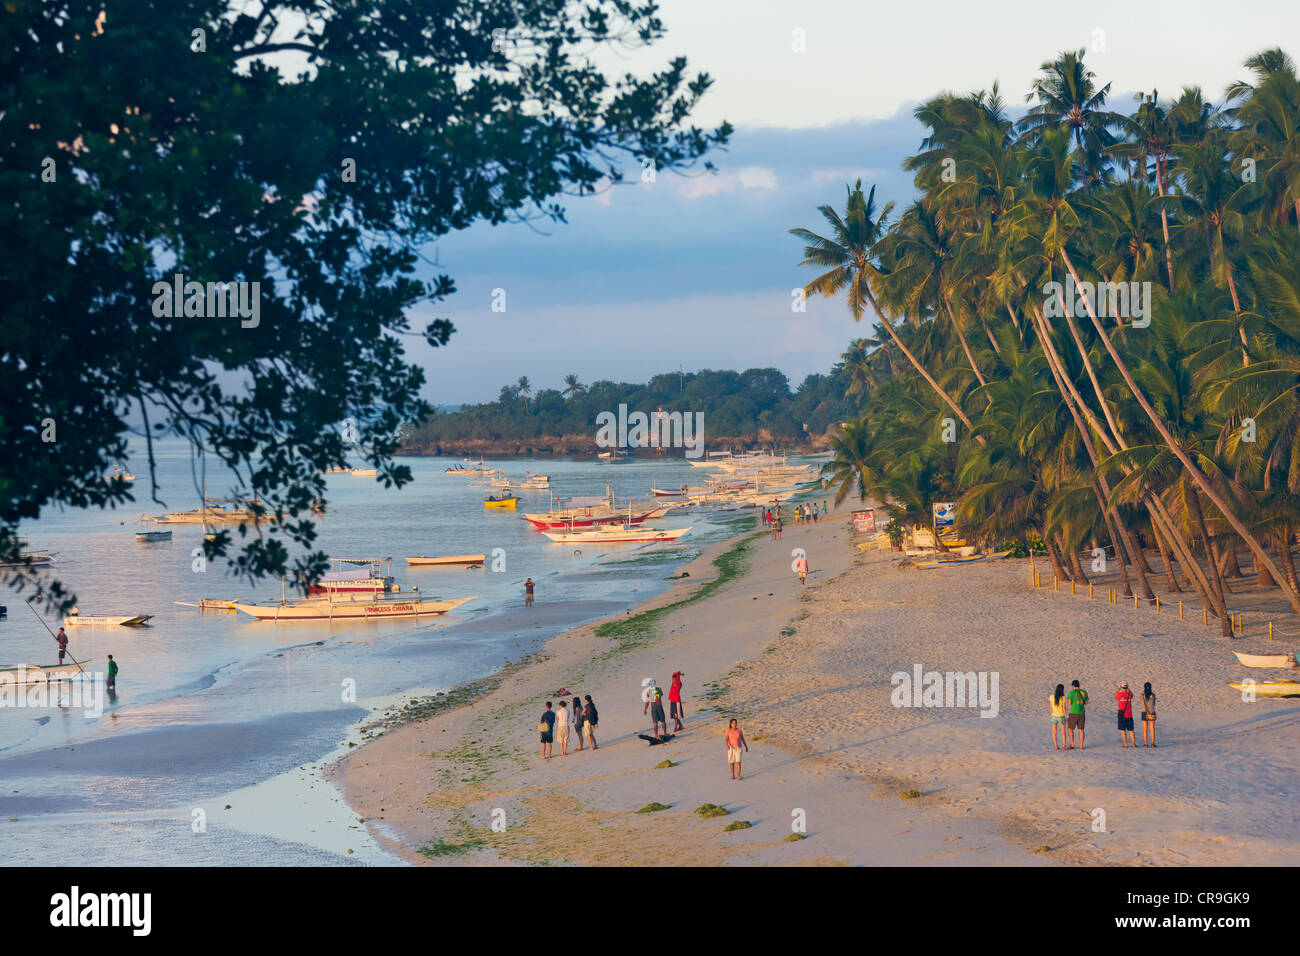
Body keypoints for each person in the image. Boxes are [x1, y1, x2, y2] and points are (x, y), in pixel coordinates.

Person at [1066, 679, 1088, 750]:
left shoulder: (1071, 692)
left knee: (1070, 728)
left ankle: (1072, 744)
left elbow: (1069, 703)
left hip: (1074, 712)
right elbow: (1086, 703)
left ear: (1073, 686)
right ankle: (1081, 745)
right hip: (1082, 713)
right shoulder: (1084, 692)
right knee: (1081, 729)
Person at [1050, 683, 1068, 750]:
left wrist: (1052, 714)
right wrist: (1066, 716)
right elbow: (1064, 708)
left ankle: (1056, 746)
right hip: (1061, 716)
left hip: (1054, 716)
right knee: (1063, 732)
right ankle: (1064, 745)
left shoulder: (1052, 697)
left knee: (1054, 732)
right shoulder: (1063, 697)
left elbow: (1051, 708)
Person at [1140, 681, 1157, 748]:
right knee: (1152, 729)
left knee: (1145, 729)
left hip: (1144, 712)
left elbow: (1142, 703)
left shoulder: (1142, 695)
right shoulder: (1153, 695)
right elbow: (1154, 704)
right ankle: (1153, 744)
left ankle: (1146, 744)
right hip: (1152, 712)